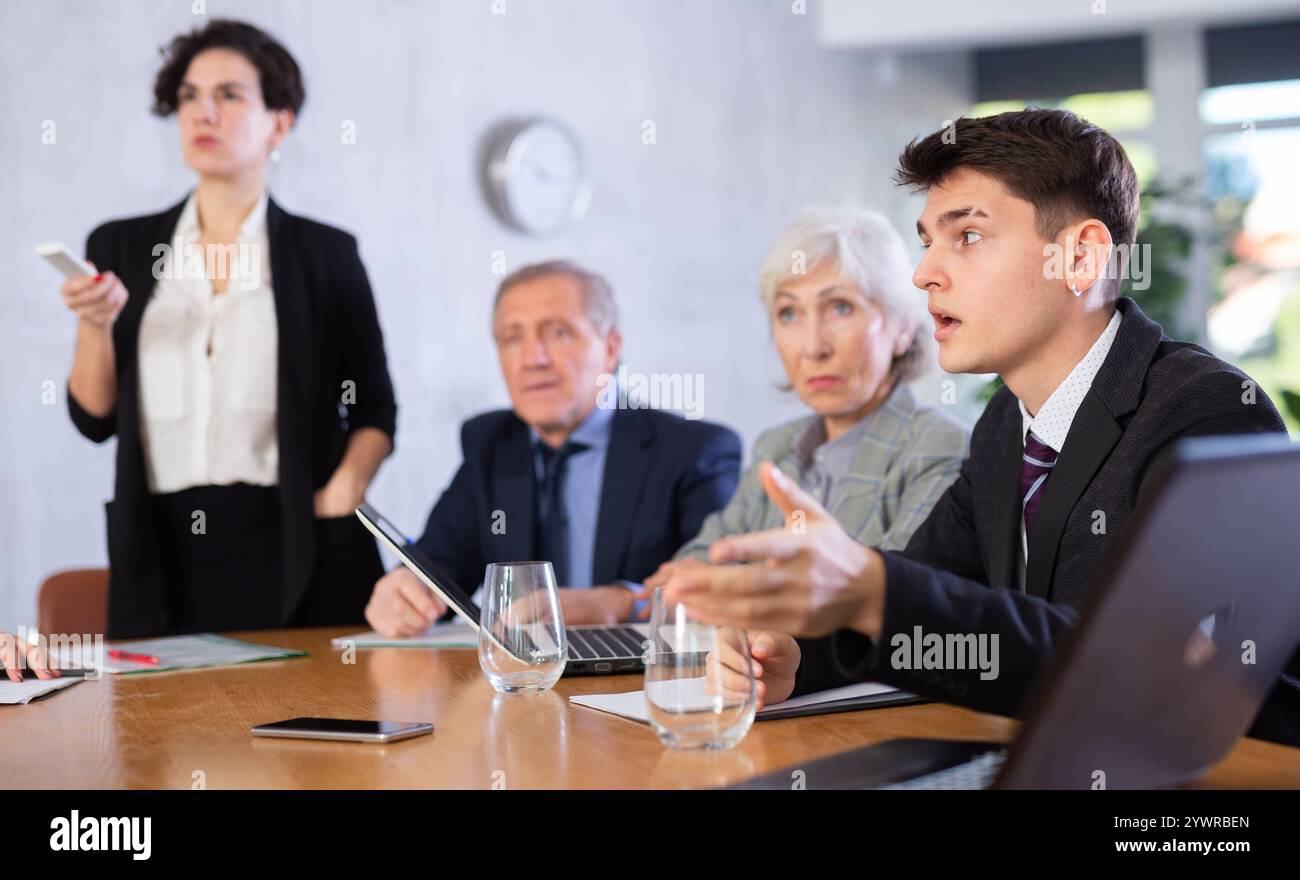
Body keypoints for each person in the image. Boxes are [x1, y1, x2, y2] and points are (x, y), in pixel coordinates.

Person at [664, 109, 1300, 746]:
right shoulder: (1004, 424)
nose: (924, 275)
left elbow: (1148, 668)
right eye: (927, 242)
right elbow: (942, 606)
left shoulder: (1210, 414)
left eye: (966, 237)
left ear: (1079, 257)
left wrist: (877, 591)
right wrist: (798, 656)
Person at [62, 20, 396, 637]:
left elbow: (374, 407)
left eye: (229, 95)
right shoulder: (122, 245)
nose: (202, 113)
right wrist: (94, 326)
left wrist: (343, 491)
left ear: (280, 121)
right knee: (161, 732)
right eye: (189, 96)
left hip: (300, 538)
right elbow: (93, 419)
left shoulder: (325, 254)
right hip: (158, 549)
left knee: (314, 727)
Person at [642, 208, 967, 673]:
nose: (813, 346)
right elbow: (690, 572)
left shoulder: (938, 446)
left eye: (840, 308)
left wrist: (739, 590)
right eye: (789, 313)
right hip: (747, 687)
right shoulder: (776, 446)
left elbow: (896, 607)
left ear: (900, 328)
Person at [364, 261, 741, 636]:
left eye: (559, 333)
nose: (533, 359)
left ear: (610, 348)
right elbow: (441, 562)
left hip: (645, 685)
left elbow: (720, 588)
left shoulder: (694, 451)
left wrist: (618, 605)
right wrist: (405, 590)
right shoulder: (491, 443)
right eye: (513, 338)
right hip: (522, 684)